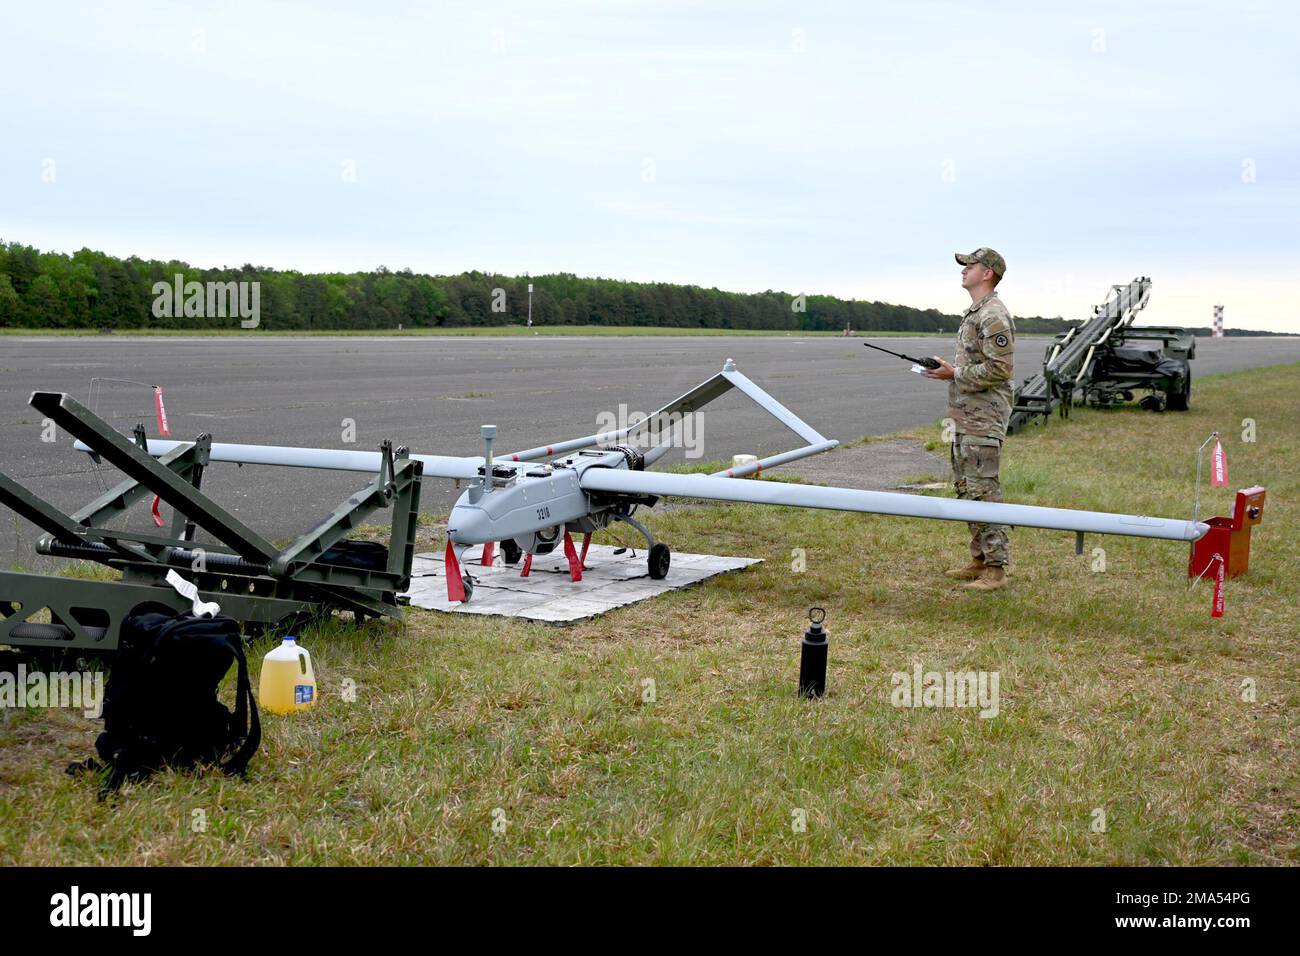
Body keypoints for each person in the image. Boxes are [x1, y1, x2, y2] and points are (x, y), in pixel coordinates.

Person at [923, 248, 1015, 591]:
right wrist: (948, 371)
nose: (964, 271)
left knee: (984, 489)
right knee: (966, 488)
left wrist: (954, 372)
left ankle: (997, 569)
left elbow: (1000, 369)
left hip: (984, 417)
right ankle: (979, 559)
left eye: (970, 266)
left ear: (988, 272)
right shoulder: (975, 313)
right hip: (964, 415)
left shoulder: (993, 316)